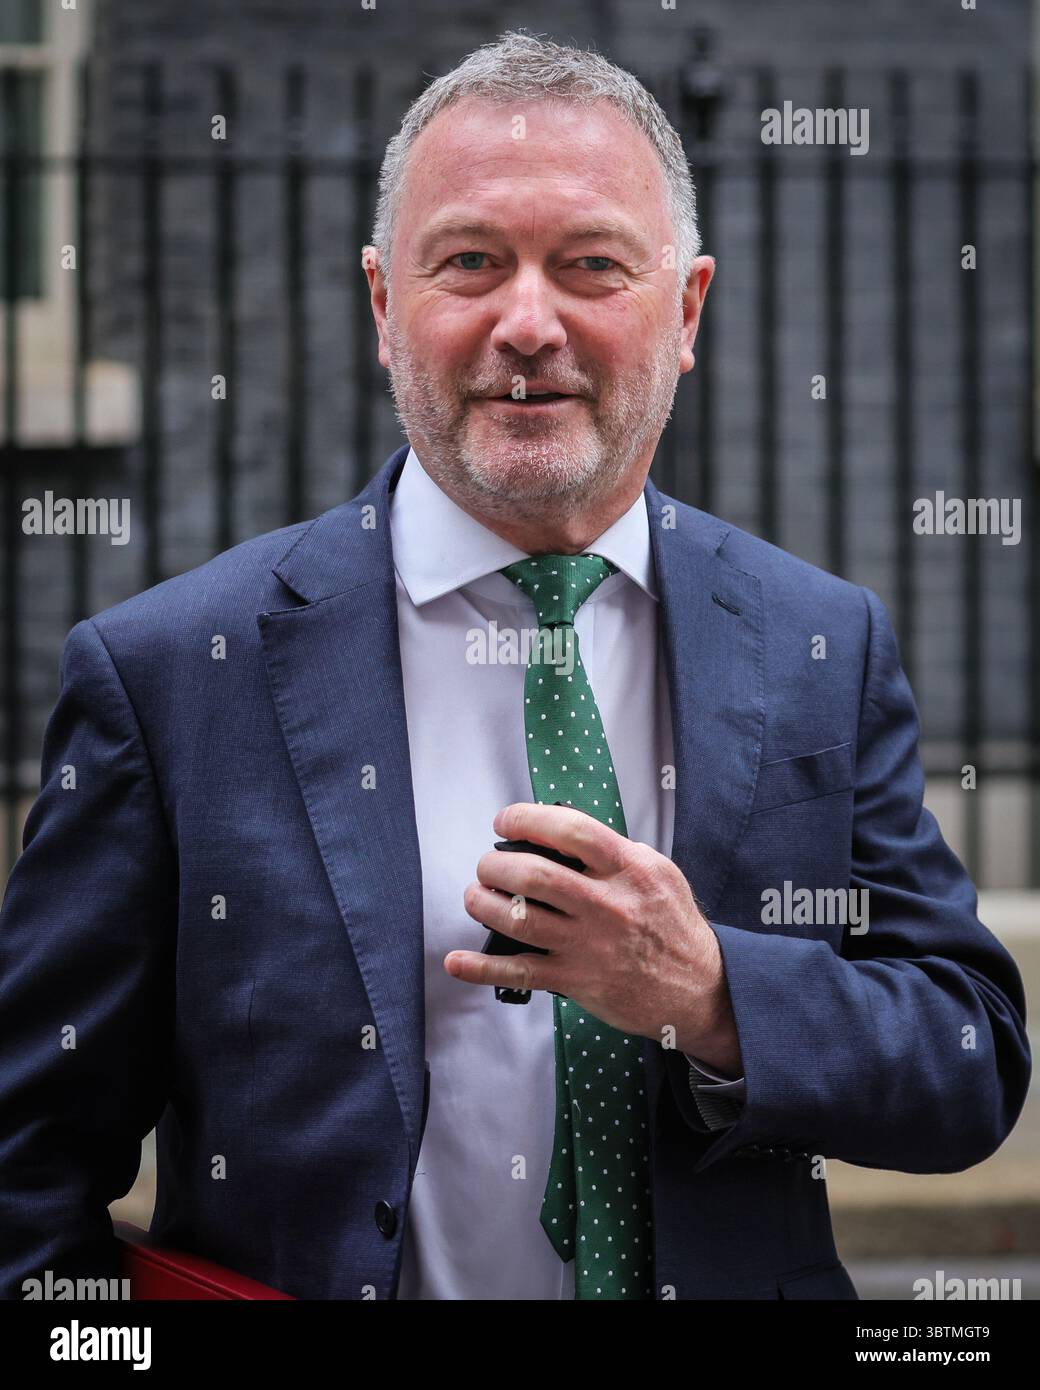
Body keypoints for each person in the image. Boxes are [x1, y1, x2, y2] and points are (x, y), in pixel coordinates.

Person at [0, 31, 1030, 1302]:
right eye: (471, 262)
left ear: (688, 308)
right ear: (385, 306)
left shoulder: (819, 641)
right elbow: (28, 1159)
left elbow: (967, 1058)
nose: (527, 323)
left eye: (591, 265)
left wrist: (710, 996)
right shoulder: (168, 676)